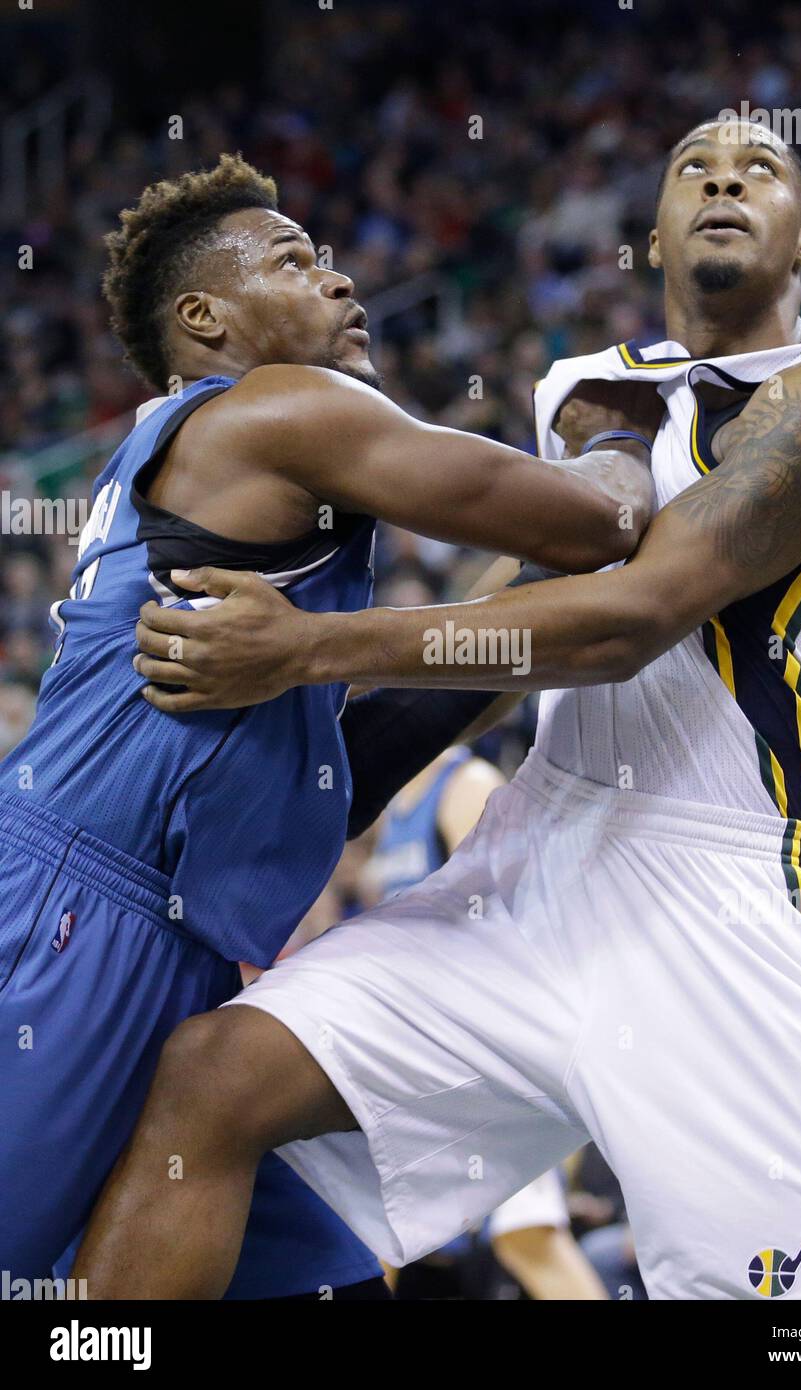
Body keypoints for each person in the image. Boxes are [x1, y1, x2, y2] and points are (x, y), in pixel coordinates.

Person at [75, 118, 801, 1299]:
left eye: (760, 170)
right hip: (531, 861)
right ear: (651, 236)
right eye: (692, 167)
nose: (725, 179)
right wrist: (299, 794)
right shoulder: (593, 397)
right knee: (211, 1076)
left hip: (718, 902)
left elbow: (628, 621)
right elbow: (500, 641)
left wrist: (305, 649)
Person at [0, 154, 654, 1294]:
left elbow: (363, 752)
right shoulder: (276, 409)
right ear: (202, 318)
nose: (343, 280)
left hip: (147, 935)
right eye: (295, 259)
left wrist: (512, 614)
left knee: (305, 1270)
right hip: (78, 928)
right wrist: (623, 438)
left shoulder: (216, 469)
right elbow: (597, 524)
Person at [368, 747, 606, 1300]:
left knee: (529, 1239)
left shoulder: (467, 783)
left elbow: (529, 919)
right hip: (425, 1053)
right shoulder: (399, 802)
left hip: (488, 1047)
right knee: (379, 1238)